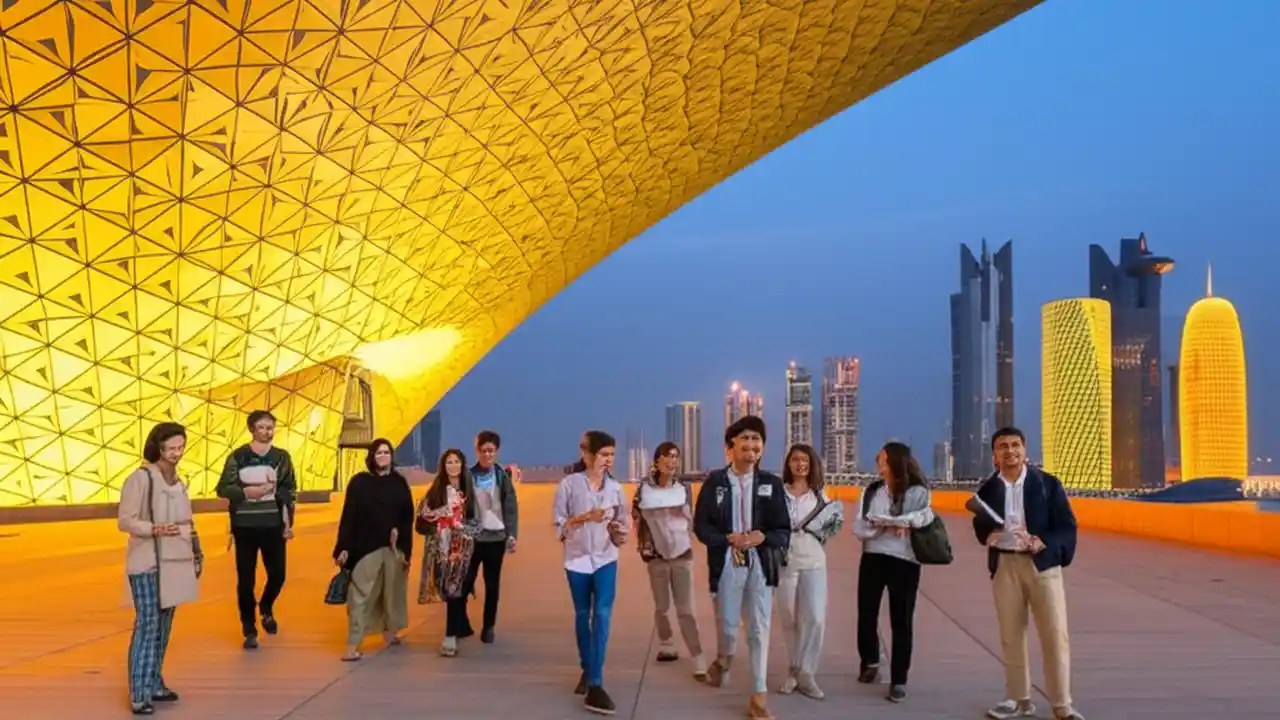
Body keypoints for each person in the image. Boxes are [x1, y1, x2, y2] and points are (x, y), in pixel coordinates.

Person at [970, 427, 1085, 720]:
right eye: (1002, 447)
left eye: (1015, 445)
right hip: (1005, 566)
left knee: (1054, 634)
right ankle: (1018, 698)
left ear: (1024, 450)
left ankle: (1062, 705)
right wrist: (989, 537)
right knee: (1010, 635)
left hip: (1041, 565)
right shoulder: (988, 489)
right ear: (994, 455)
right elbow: (981, 525)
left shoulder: (1047, 484)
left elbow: (1067, 526)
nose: (1010, 451)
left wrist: (1043, 542)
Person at [693, 415, 790, 720]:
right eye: (744, 439)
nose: (751, 445)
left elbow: (782, 530)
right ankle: (723, 660)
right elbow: (701, 526)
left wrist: (762, 537)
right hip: (727, 562)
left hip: (760, 563)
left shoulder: (771, 484)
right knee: (728, 625)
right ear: (730, 447)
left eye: (756, 440)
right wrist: (725, 539)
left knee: (759, 628)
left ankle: (758, 695)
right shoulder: (715, 483)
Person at [117, 422, 201, 715]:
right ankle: (139, 691)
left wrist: (195, 551)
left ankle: (154, 682)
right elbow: (125, 520)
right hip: (147, 563)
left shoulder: (178, 481)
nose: (176, 453)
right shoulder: (141, 479)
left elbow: (188, 520)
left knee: (164, 627)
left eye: (180, 447)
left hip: (174, 563)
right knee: (148, 624)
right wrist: (153, 528)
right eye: (170, 448)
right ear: (158, 447)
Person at [553, 430, 631, 715]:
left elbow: (624, 526)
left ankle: (596, 683)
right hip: (576, 560)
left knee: (602, 614)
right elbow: (559, 525)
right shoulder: (570, 486)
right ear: (586, 455)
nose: (607, 461)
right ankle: (587, 667)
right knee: (582, 614)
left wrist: (618, 532)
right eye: (603, 455)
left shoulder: (616, 489)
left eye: (611, 455)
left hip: (606, 559)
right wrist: (585, 517)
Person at [852, 441, 936, 703]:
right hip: (873, 557)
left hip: (905, 560)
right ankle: (870, 661)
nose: (879, 461)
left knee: (901, 621)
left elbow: (925, 518)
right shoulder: (871, 492)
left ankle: (899, 679)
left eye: (883, 458)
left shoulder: (918, 492)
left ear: (893, 461)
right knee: (867, 614)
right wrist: (882, 527)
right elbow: (859, 528)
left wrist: (899, 521)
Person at [215, 410, 296, 649]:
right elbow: (222, 488)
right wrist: (245, 493)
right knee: (246, 579)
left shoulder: (281, 457)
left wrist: (287, 521)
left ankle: (266, 606)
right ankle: (249, 627)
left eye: (270, 427)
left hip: (272, 524)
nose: (266, 431)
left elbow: (290, 489)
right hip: (245, 525)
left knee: (278, 574)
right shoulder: (239, 456)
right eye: (261, 427)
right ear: (252, 429)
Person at [333, 438, 415, 662]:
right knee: (360, 596)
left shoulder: (399, 482)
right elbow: (348, 517)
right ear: (371, 457)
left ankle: (390, 632)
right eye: (378, 453)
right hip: (364, 548)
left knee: (391, 593)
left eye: (386, 452)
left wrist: (405, 549)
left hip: (392, 548)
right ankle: (353, 644)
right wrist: (343, 548)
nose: (383, 456)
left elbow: (407, 517)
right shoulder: (360, 483)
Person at [632, 441, 706, 680]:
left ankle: (698, 655)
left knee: (686, 608)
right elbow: (637, 517)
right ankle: (666, 643)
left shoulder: (683, 489)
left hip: (682, 553)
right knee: (662, 606)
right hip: (657, 556)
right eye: (667, 456)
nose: (672, 461)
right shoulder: (644, 488)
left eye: (675, 457)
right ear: (657, 461)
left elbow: (691, 520)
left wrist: (685, 516)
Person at [776, 443, 837, 700]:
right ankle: (794, 669)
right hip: (785, 562)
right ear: (788, 464)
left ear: (812, 464)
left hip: (813, 561)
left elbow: (830, 528)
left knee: (814, 617)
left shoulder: (822, 496)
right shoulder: (780, 494)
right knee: (789, 618)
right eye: (795, 460)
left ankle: (807, 673)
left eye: (805, 460)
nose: (800, 464)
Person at [416, 448, 479, 656]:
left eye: (457, 461)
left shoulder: (469, 491)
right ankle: (460, 626)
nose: (453, 466)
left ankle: (450, 637)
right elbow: (421, 523)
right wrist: (439, 527)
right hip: (441, 550)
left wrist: (463, 530)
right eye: (449, 462)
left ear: (463, 465)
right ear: (443, 466)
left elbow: (476, 522)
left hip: (463, 550)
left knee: (455, 590)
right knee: (448, 591)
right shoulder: (435, 492)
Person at [467, 430, 519, 643]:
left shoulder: (501, 476)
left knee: (492, 585)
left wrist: (512, 534)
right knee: (465, 581)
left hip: (495, 539)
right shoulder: (468, 476)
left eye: (491, 450)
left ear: (496, 452)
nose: (487, 454)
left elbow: (510, 506)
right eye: (484, 450)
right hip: (472, 539)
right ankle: (461, 622)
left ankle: (489, 626)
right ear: (477, 451)